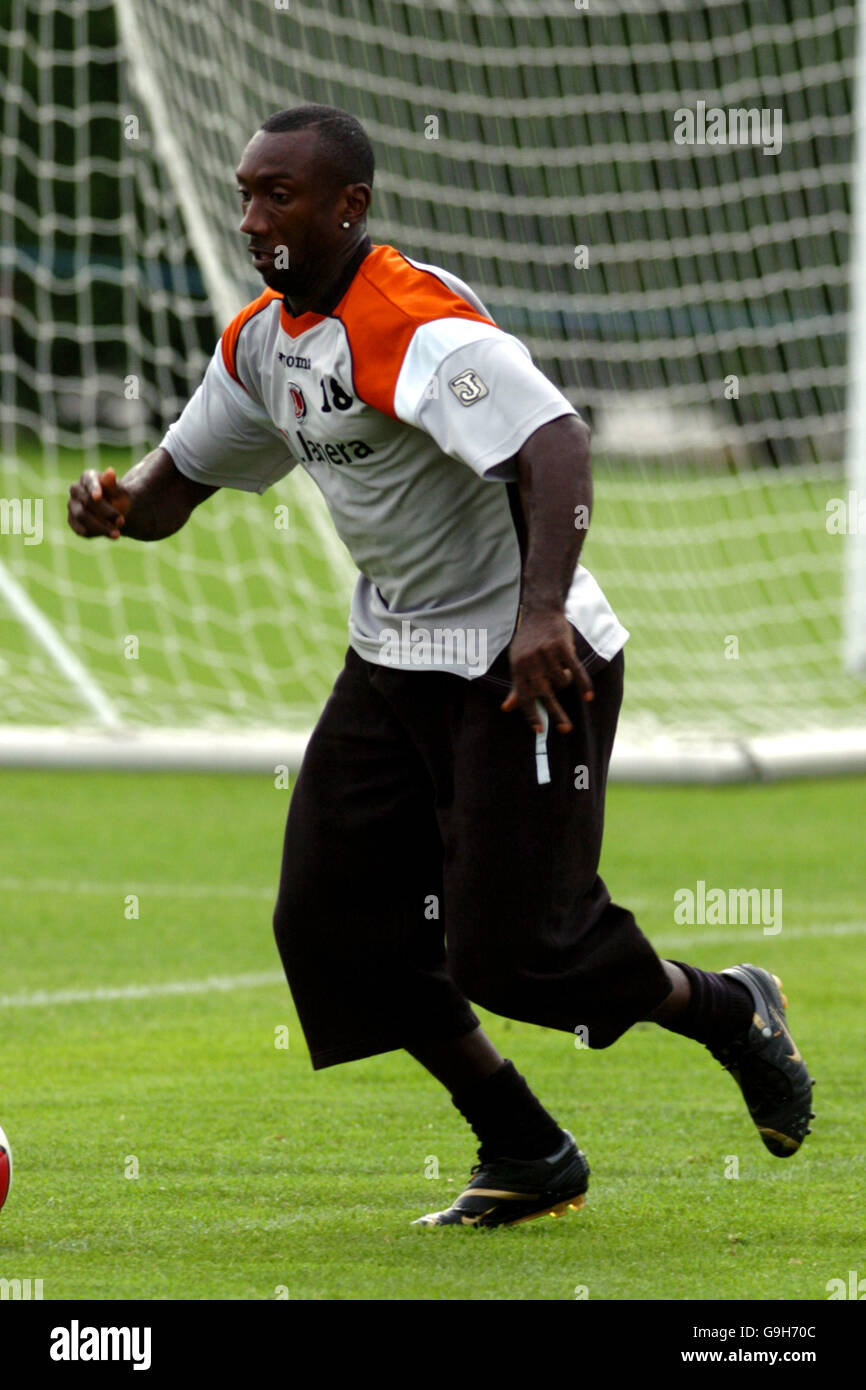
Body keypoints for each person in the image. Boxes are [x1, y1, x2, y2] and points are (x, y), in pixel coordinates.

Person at [68, 104, 814, 1228]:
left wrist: (539, 612)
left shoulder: (414, 323)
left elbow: (553, 439)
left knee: (518, 957)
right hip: (392, 665)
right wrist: (114, 506)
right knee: (329, 925)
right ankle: (523, 1148)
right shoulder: (261, 343)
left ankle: (726, 1008)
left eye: (280, 196)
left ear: (348, 207)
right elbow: (174, 487)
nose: (252, 219)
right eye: (244, 194)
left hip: (526, 666)